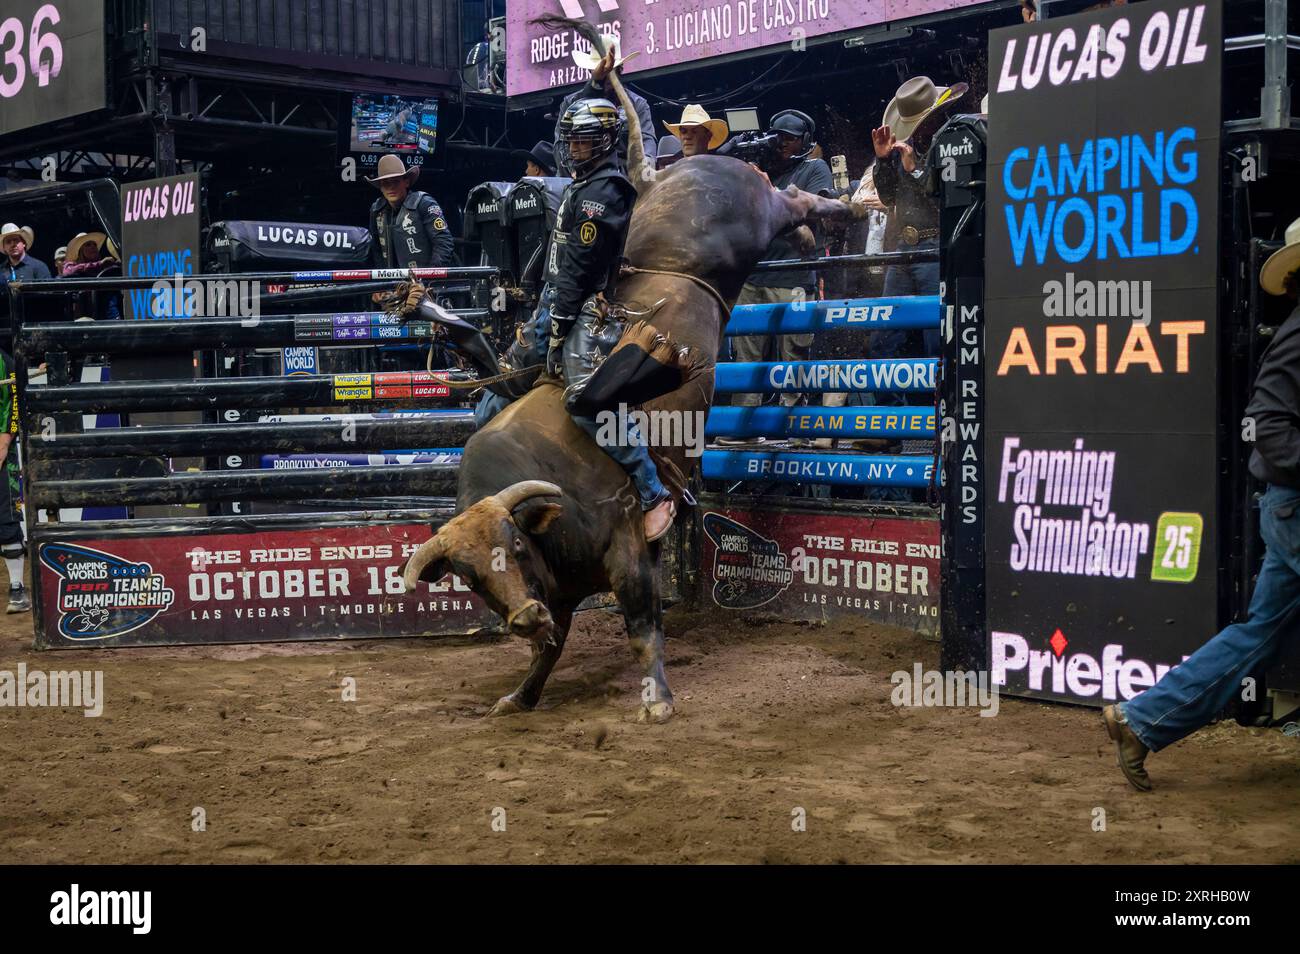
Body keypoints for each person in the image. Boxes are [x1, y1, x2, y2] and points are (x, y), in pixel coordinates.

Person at [1102, 217, 1300, 792]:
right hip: (1293, 507)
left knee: (1259, 633)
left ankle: (1140, 720)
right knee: (1259, 632)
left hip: (1288, 507)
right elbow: (1269, 423)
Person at [544, 81, 675, 542]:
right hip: (555, 297)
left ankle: (652, 491)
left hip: (582, 306)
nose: (574, 148)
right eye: (571, 139)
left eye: (582, 140)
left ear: (602, 142)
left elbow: (580, 267)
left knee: (584, 399)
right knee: (498, 390)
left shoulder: (608, 188)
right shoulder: (584, 183)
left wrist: (559, 323)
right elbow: (560, 255)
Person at [723, 110, 833, 432]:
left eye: (789, 138)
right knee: (747, 361)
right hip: (754, 274)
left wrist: (771, 196)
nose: (781, 143)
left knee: (794, 361)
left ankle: (794, 430)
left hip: (793, 277)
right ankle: (742, 430)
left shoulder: (814, 168)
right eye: (778, 136)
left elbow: (815, 221)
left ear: (804, 141)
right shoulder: (760, 170)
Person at [871, 76, 965, 362]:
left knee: (935, 335)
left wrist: (915, 170)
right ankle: (889, 404)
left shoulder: (954, 140)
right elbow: (888, 198)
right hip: (905, 247)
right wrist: (883, 160)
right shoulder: (904, 148)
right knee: (885, 333)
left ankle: (937, 402)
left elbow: (952, 198)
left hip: (935, 245)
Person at [555, 35, 656, 175]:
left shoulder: (637, 105)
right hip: (580, 178)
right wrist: (574, 173)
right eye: (600, 71)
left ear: (620, 70)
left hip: (625, 180)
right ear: (591, 72)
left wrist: (645, 175)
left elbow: (647, 144)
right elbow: (560, 147)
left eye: (610, 71)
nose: (605, 75)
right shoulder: (571, 104)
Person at [366, 154, 454, 269]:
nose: (391, 187)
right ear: (381, 187)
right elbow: (376, 250)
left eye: (395, 181)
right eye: (386, 183)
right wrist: (383, 280)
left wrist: (428, 278)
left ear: (406, 182)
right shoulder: (377, 210)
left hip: (429, 282)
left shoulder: (424, 203)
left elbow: (443, 243)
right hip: (394, 283)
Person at [0, 347, 28, 613]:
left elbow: (13, 400)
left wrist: (5, 440)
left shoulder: (4, 362)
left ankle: (17, 587)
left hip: (0, 453)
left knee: (6, 517)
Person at [663, 105, 729, 160]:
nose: (687, 137)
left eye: (694, 131)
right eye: (683, 132)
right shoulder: (671, 173)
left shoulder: (719, 172)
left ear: (708, 136)